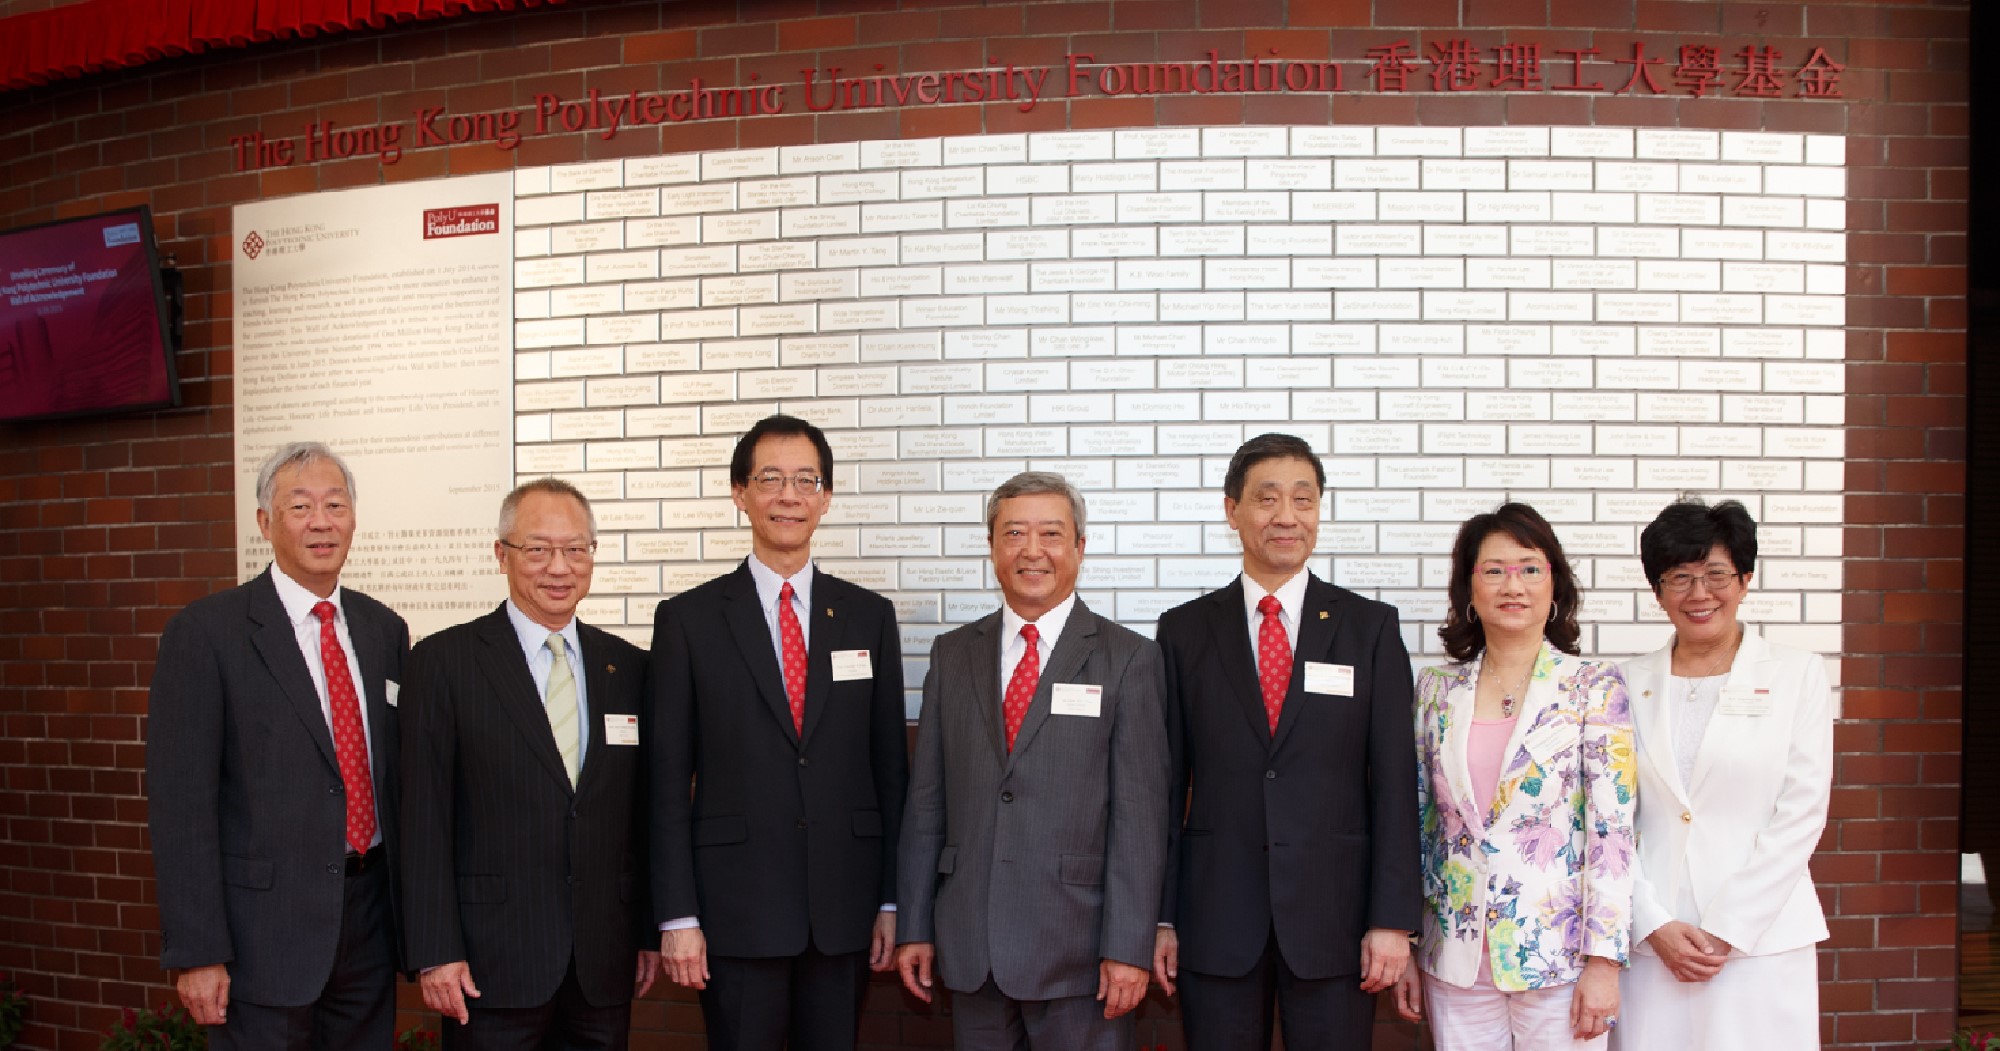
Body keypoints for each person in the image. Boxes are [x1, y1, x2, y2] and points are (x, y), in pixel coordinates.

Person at [649, 414, 909, 1051]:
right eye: (770, 479)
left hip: (843, 911)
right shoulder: (688, 620)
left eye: (805, 480)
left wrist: (892, 902)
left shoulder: (869, 618)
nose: (788, 495)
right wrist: (678, 915)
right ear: (740, 493)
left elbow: (889, 774)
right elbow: (662, 781)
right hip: (733, 911)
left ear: (825, 497)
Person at [1153, 432, 1420, 1049]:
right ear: (1232, 511)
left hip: (1337, 919)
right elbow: (1162, 790)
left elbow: (1394, 787)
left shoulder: (1369, 629)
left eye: (1303, 499)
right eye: (1267, 499)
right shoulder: (1184, 631)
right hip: (1215, 916)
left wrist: (1392, 920)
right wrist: (1162, 916)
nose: (1286, 516)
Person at [894, 471, 1169, 1051]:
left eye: (1050, 533)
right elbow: (927, 805)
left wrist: (1127, 947)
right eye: (1014, 534)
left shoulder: (1129, 659)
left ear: (1079, 548)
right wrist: (916, 926)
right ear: (993, 547)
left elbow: (1140, 819)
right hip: (972, 944)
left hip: (1080, 952)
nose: (1032, 551)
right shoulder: (953, 653)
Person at [146, 441, 408, 1049]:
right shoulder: (207, 633)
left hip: (369, 921)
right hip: (260, 936)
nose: (322, 522)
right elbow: (181, 805)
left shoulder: (383, 630)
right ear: (266, 522)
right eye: (300, 506)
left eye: (335, 505)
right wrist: (199, 950)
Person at [400, 477, 657, 1050]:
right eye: (537, 549)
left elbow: (639, 818)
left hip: (602, 963)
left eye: (575, 550)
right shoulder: (445, 662)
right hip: (490, 962)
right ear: (502, 555)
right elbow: (422, 820)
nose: (558, 567)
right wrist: (436, 951)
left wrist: (645, 931)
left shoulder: (629, 669)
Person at [1394, 501, 1636, 1049]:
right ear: (1470, 589)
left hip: (1558, 955)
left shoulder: (1593, 686)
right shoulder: (1436, 689)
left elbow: (1613, 834)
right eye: (1495, 570)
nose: (1513, 585)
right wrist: (1406, 942)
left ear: (1555, 585)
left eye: (1530, 568)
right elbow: (1415, 823)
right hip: (1454, 955)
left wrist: (1604, 961)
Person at [1611, 500, 1832, 1051]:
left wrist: (1729, 925)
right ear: (1657, 591)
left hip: (1761, 937)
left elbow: (1801, 812)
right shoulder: (1623, 682)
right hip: (1654, 939)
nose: (1699, 593)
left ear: (1745, 579)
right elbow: (1607, 816)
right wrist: (1649, 922)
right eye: (1679, 578)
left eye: (1716, 574)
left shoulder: (1797, 674)